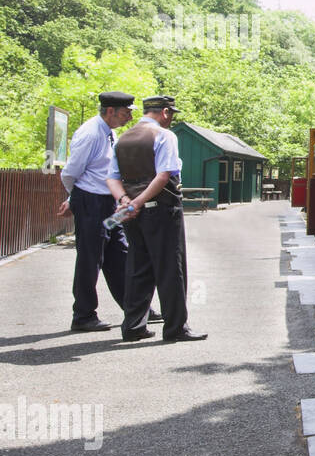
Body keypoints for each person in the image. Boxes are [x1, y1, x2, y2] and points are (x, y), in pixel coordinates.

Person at [106, 95, 207, 343]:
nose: (171, 119)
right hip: (161, 209)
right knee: (171, 268)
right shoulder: (164, 136)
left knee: (138, 267)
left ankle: (133, 326)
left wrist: (125, 202)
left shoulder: (123, 138)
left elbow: (112, 177)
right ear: (164, 112)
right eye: (171, 114)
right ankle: (175, 328)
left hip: (132, 213)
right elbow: (163, 176)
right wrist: (139, 201)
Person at [59, 91, 161, 332]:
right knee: (90, 257)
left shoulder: (109, 132)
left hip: (107, 203)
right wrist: (74, 199)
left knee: (120, 255)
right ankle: (83, 314)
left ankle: (137, 309)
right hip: (91, 201)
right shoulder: (91, 133)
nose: (129, 117)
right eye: (126, 112)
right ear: (111, 111)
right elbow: (71, 172)